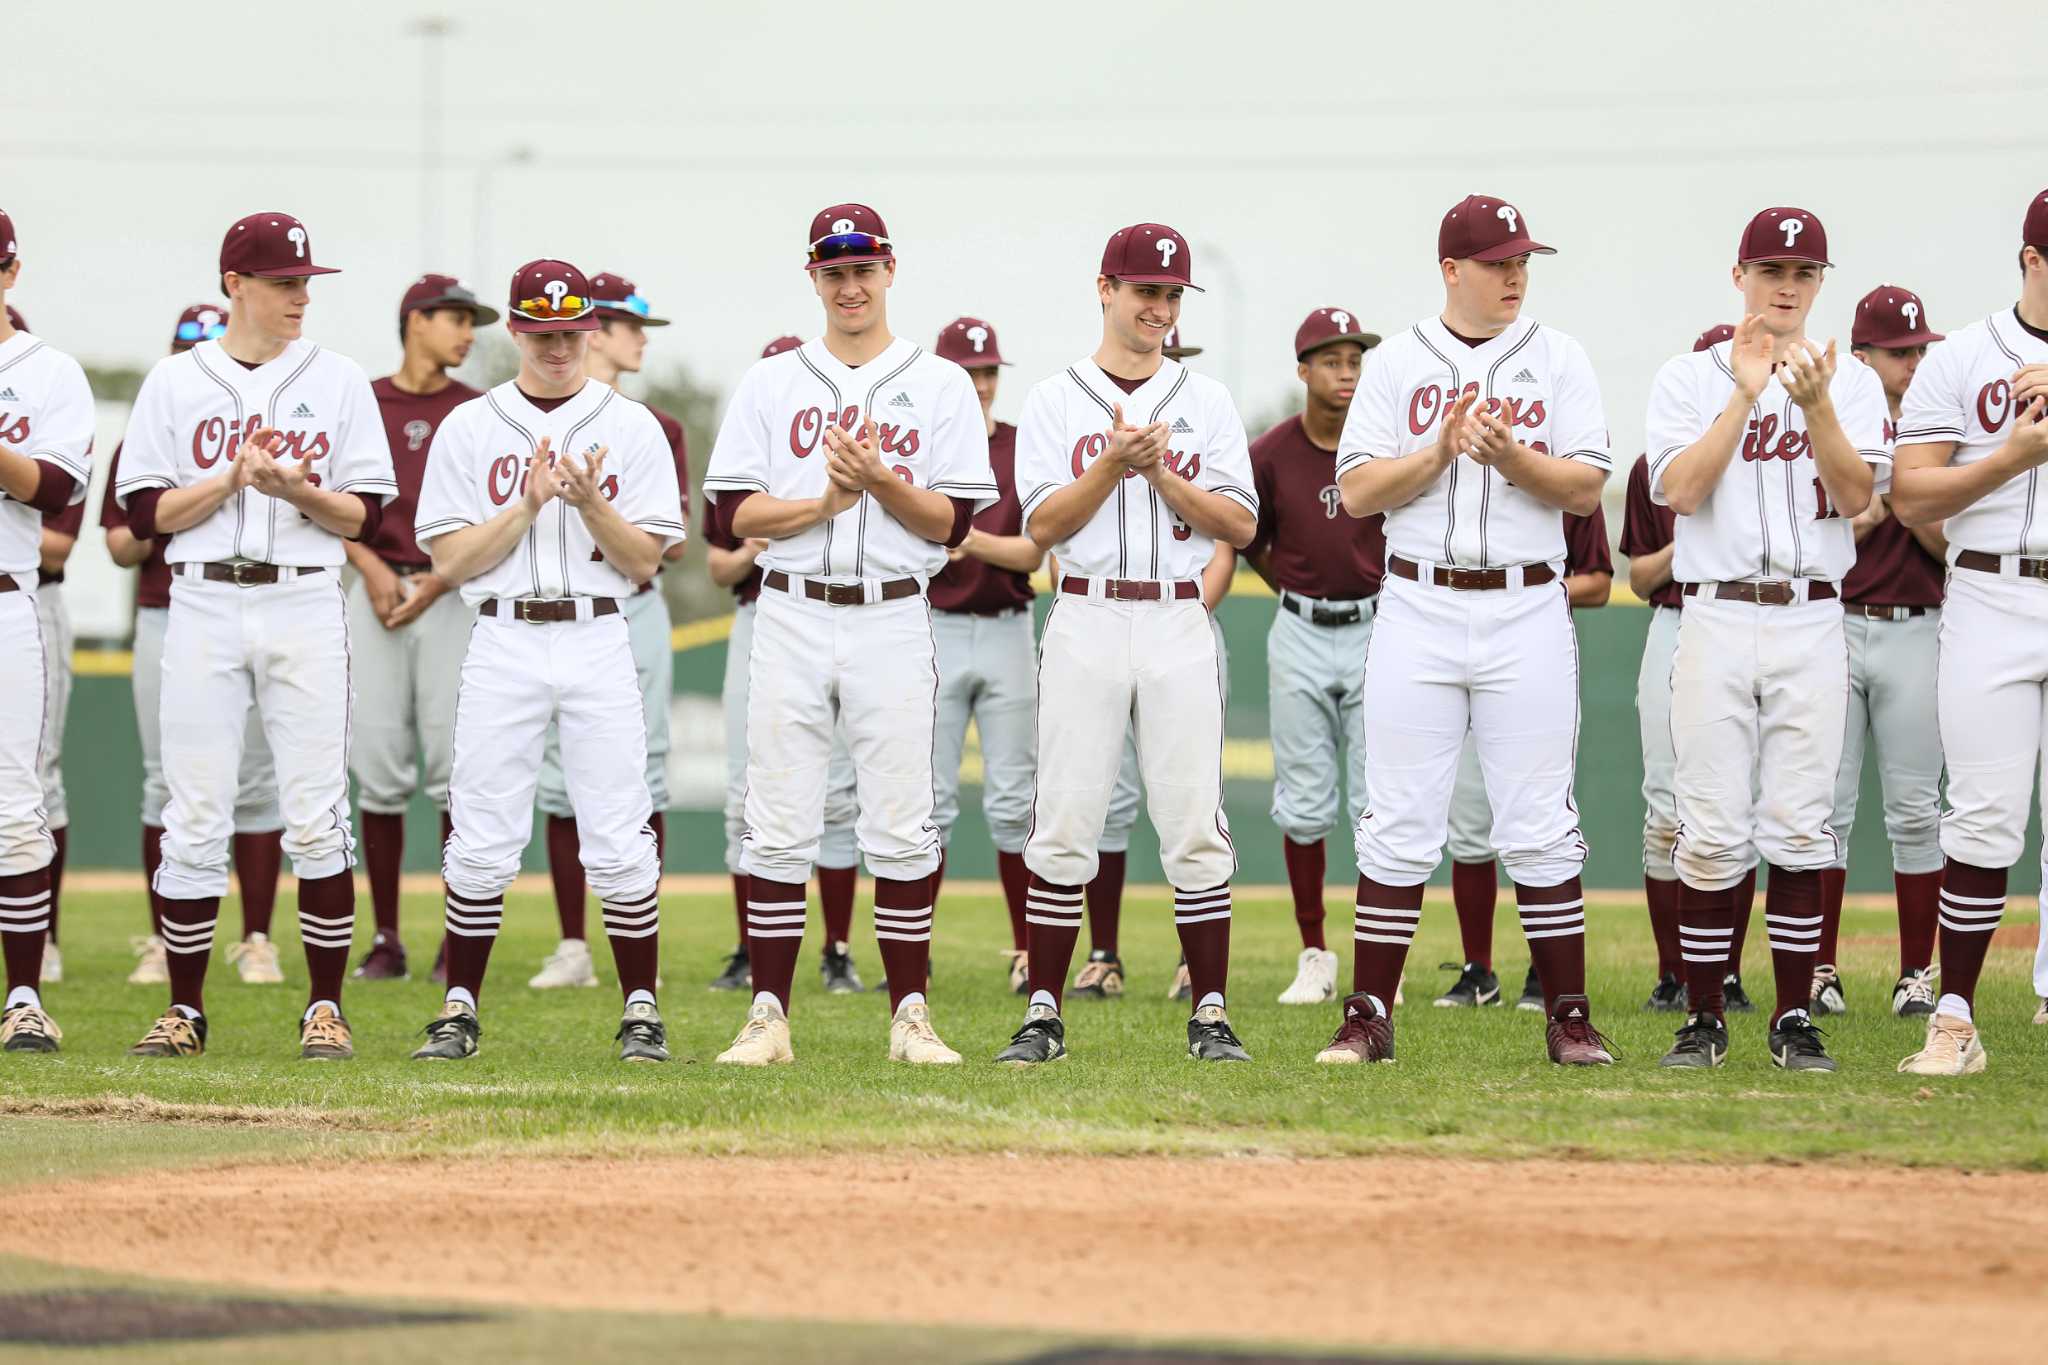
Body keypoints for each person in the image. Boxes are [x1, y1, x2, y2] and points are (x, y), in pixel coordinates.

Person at [1321, 194, 1614, 1067]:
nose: (1514, 273)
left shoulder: (1559, 358)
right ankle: (1369, 1013)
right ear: (1452, 269)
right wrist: (1441, 452)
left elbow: (1587, 487)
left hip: (1526, 603)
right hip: (1418, 601)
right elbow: (1360, 493)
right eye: (1496, 261)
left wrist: (1511, 457)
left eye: (1522, 259)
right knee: (1399, 818)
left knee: (1539, 821)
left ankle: (1567, 1013)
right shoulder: (1398, 361)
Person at [703, 203, 995, 1066]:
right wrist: (824, 504)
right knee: (779, 823)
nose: (851, 283)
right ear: (813, 279)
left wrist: (877, 480)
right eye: (834, 270)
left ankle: (911, 1015)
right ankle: (767, 1017)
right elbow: (732, 512)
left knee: (902, 821)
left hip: (895, 609)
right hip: (789, 607)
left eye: (863, 267)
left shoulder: (938, 381)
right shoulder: (771, 381)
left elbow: (953, 520)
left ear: (890, 270)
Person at [114, 211, 395, 1060]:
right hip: (200, 600)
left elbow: (368, 514)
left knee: (315, 809)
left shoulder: (339, 378)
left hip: (306, 599)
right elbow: (143, 515)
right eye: (282, 282)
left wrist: (292, 491)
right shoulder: (174, 381)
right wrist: (232, 477)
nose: (299, 295)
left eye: (305, 282)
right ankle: (186, 1009)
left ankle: (323, 1006)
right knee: (194, 809)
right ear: (234, 283)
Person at [408, 258, 683, 1063]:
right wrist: (527, 504)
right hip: (503, 631)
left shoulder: (632, 426)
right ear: (517, 330)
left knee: (619, 830)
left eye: (571, 330)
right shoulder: (470, 424)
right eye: (542, 330)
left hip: (600, 627)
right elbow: (452, 562)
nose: (558, 345)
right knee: (483, 832)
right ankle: (459, 1006)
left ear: (589, 329)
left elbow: (643, 563)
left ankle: (641, 1007)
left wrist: (591, 502)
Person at [998, 221, 1258, 1065]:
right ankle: (1043, 1010)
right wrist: (1111, 466)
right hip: (1087, 609)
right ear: (1104, 289)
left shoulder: (1205, 400)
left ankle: (1211, 1011)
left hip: (1180, 613)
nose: (1160, 307)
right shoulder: (1053, 396)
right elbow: (1041, 525)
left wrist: (1160, 474)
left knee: (1192, 821)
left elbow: (1241, 525)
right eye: (1146, 290)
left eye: (1173, 294)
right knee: (1066, 817)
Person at [1648, 207, 1889, 1072]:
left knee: (1799, 822)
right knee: (1709, 826)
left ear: (1820, 284)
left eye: (1804, 273)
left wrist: (1817, 405)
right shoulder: (1686, 377)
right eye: (1772, 270)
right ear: (1740, 274)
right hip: (1714, 609)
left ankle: (1793, 1017)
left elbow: (1858, 493)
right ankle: (1703, 1017)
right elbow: (1679, 490)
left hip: (1814, 612)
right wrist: (1745, 392)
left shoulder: (1852, 383)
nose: (1787, 287)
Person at [1889, 188, 2048, 1076]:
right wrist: (2005, 461)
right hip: (1991, 589)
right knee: (1983, 817)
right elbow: (1909, 495)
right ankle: (1954, 1020)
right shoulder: (1960, 357)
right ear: (2031, 259)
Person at [104, 304, 287, 989]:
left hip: (259, 608)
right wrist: (188, 504)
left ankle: (258, 937)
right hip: (166, 610)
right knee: (166, 779)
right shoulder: (150, 434)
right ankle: (161, 938)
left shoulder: (275, 428)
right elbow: (123, 542)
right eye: (189, 344)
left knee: (260, 783)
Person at [524, 271, 698, 991]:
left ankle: (636, 941)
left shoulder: (657, 427)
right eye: (629, 324)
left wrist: (602, 514)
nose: (638, 340)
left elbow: (675, 544)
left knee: (645, 771)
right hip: (553, 605)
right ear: (594, 329)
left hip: (631, 600)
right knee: (561, 780)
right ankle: (573, 943)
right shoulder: (526, 421)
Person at [704, 334, 864, 995]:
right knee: (749, 793)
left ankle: (836, 949)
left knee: (838, 795)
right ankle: (749, 947)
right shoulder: (753, 447)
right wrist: (769, 536)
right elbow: (720, 561)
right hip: (761, 614)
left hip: (847, 615)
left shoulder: (851, 442)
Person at [349, 274, 494, 981]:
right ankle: (384, 938)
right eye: (456, 319)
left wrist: (440, 578)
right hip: (371, 586)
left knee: (450, 769)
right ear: (415, 321)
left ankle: (450, 938)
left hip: (450, 590)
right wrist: (369, 566)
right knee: (376, 768)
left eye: (472, 321)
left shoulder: (478, 410)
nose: (468, 333)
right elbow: (330, 501)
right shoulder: (364, 400)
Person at [1611, 324, 1760, 1014]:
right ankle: (1673, 973)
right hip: (1674, 619)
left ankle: (1725, 973)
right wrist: (1693, 525)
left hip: (1749, 622)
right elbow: (1639, 576)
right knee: (1666, 805)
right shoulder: (1655, 467)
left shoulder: (1772, 458)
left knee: (1740, 808)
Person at [1810, 284, 1947, 1019]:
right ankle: (1820, 968)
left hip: (1919, 621)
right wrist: (1873, 495)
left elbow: (1949, 544)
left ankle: (1915, 974)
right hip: (1836, 620)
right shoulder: (1835, 419)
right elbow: (1835, 529)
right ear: (1861, 355)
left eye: (1920, 349)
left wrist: (1904, 496)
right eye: (1900, 351)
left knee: (1916, 809)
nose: (1914, 362)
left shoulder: (1938, 429)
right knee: (1824, 805)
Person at [1244, 306, 1383, 1007]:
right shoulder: (1270, 451)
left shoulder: (1382, 443)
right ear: (1304, 369)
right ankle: (1314, 952)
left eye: (1355, 359)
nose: (1347, 372)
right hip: (1299, 626)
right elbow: (1248, 536)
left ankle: (1375, 960)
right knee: (1303, 802)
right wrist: (1292, 586)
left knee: (1373, 804)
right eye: (1332, 360)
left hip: (1374, 624)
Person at [1437, 504, 1612, 1009]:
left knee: (1541, 823)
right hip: (1449, 646)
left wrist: (1522, 593)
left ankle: (1543, 971)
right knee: (1469, 823)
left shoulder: (1557, 470)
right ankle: (1479, 972)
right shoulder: (1446, 473)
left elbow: (1599, 581)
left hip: (1532, 655)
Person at [0, 210, 95, 1054]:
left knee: (15, 806)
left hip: (5, 603)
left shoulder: (48, 371)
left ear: (11, 272)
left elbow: (55, 488)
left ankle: (24, 996)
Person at [926, 317, 1041, 992]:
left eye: (989, 372)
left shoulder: (1023, 448)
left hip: (1004, 624)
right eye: (969, 373)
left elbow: (1032, 552)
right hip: (934, 625)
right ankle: (917, 949)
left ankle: (1028, 950)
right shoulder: (922, 450)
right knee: (929, 802)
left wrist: (965, 540)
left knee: (1011, 802)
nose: (981, 385)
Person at [32, 423, 85, 986]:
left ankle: (43, 935)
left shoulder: (51, 403)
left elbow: (56, 545)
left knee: (37, 775)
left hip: (27, 597)